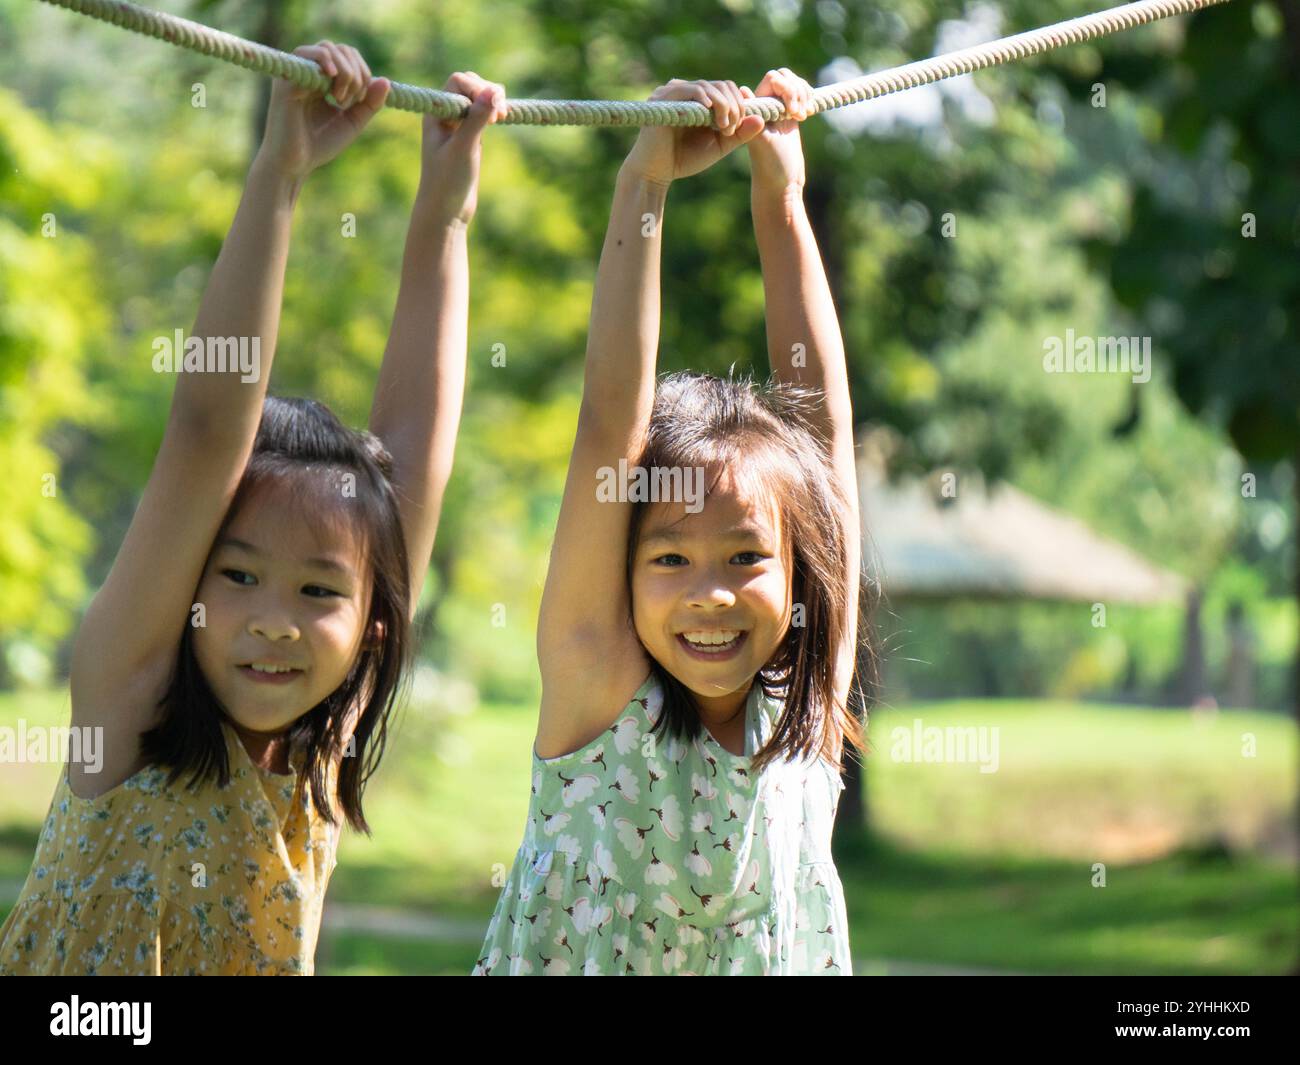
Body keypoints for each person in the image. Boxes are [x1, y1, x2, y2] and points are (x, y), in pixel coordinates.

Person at [0, 44, 506, 975]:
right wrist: (279, 172)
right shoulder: (128, 697)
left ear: (373, 627)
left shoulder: (320, 744)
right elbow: (203, 432)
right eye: (237, 575)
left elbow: (416, 450)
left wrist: (445, 215)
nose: (274, 622)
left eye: (320, 590)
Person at [474, 69, 876, 975]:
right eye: (670, 557)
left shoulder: (804, 712)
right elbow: (611, 420)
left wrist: (783, 201)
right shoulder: (597, 689)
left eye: (745, 555)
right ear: (624, 563)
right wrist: (643, 183)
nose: (711, 594)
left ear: (797, 569)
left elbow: (824, 428)